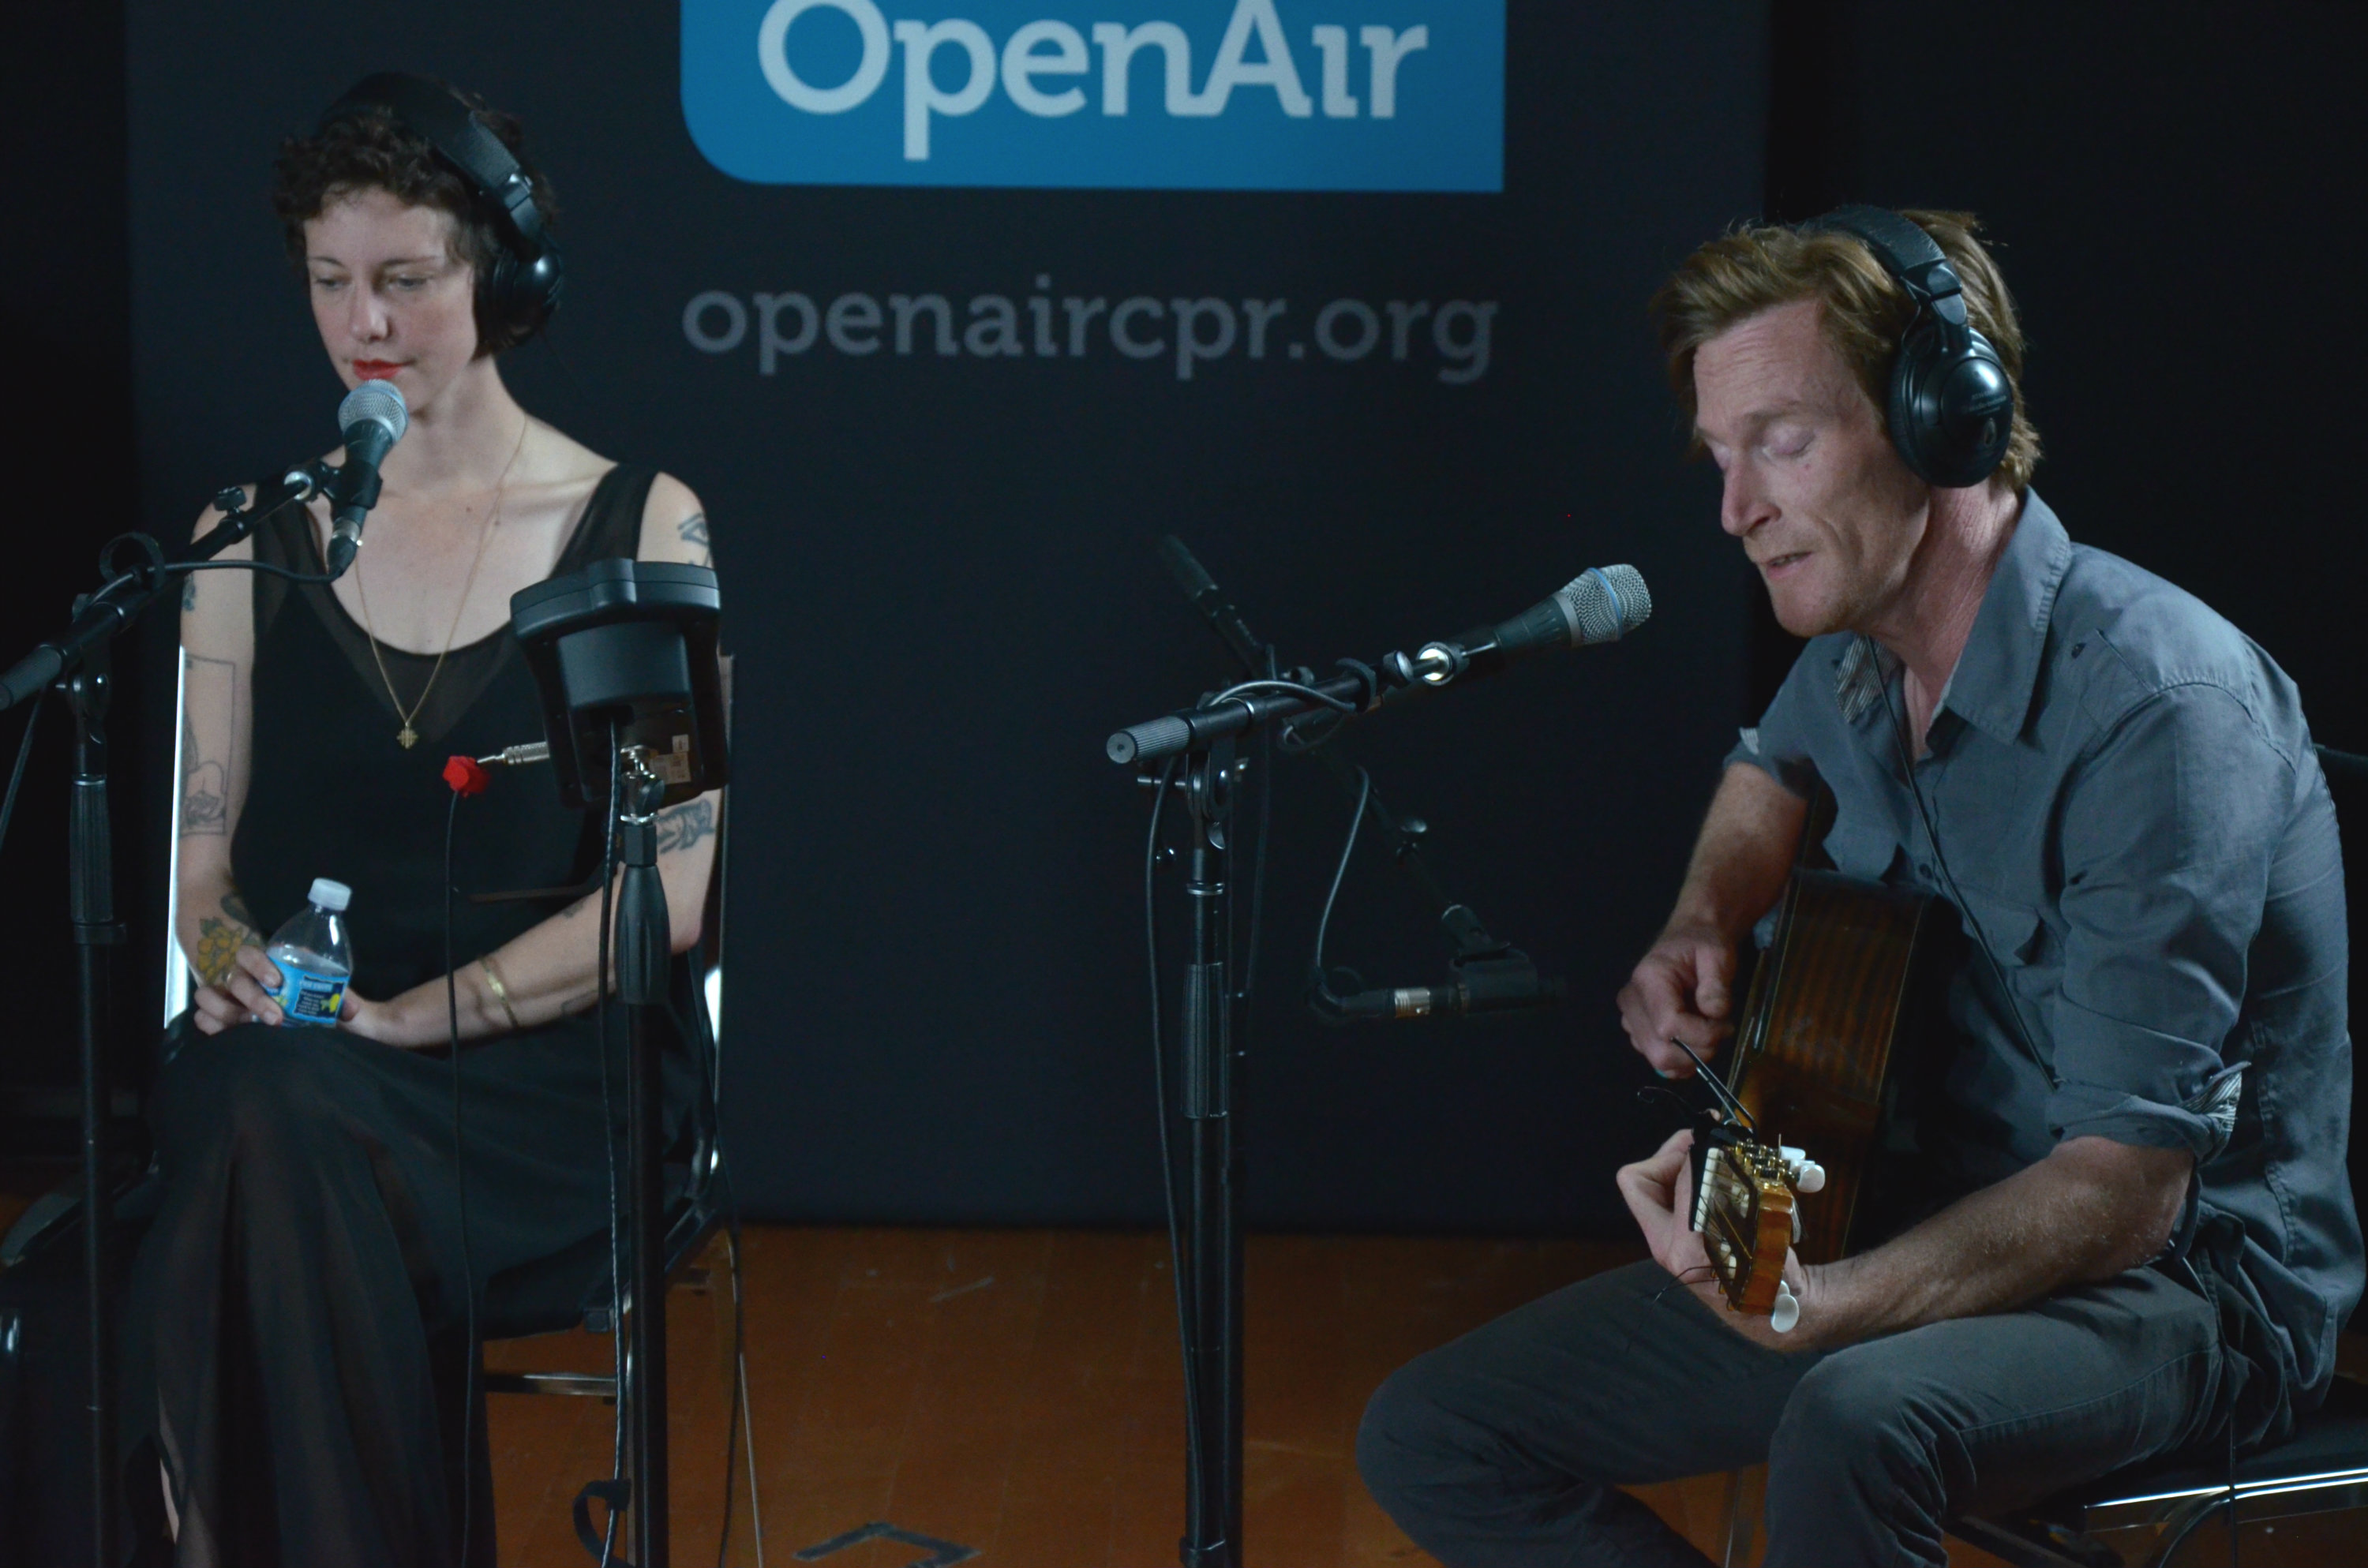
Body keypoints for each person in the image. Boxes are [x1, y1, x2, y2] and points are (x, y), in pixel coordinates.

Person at [1354, 208, 2361, 1566]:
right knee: (1435, 1431)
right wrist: (1704, 920)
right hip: (1927, 1224)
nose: (1736, 511)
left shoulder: (2159, 711)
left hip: (2182, 1295)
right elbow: (1767, 769)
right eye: (1721, 457)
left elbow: (2125, 1191)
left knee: (1851, 1418)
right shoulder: (1857, 660)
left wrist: (1829, 1304)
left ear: (1946, 423)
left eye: (1781, 442)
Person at [123, 75, 721, 1566]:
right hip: (304, 1058)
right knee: (268, 1108)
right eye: (331, 282)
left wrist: (407, 1022)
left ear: (501, 281)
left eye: (405, 279)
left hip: (537, 1086)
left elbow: (670, 892)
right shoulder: (242, 542)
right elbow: (203, 862)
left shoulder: (641, 530)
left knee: (264, 1151)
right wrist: (229, 957)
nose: (364, 324)